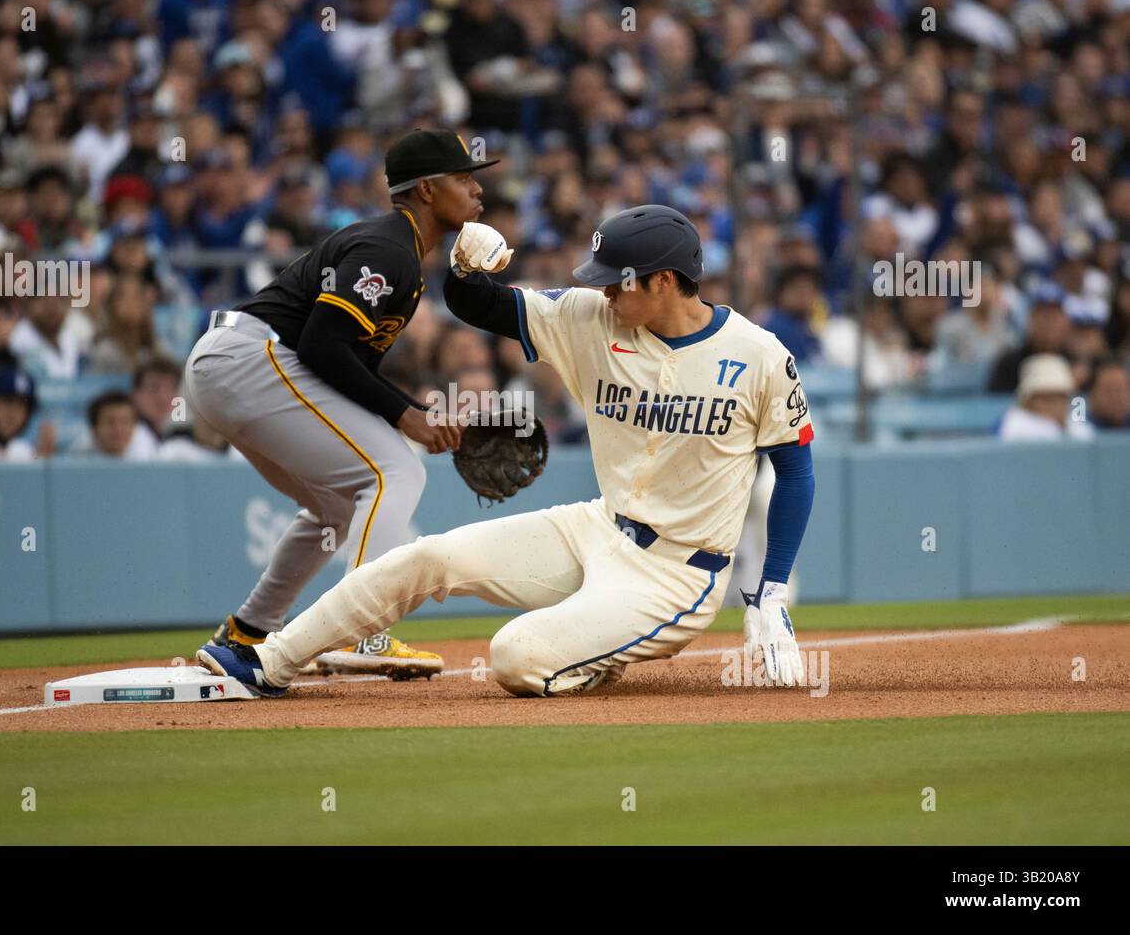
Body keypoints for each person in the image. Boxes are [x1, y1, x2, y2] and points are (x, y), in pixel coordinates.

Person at [198, 205, 815, 698]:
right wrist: (465, 272)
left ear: (661, 281)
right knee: (425, 557)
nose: (600, 293)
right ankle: (267, 662)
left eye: (614, 284)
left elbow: (795, 471)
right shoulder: (588, 319)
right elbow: (480, 306)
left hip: (676, 575)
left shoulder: (760, 355)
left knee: (515, 658)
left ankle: (589, 656)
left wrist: (773, 589)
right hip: (598, 526)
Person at [184, 130, 497, 679]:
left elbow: (346, 367)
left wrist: (412, 410)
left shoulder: (403, 253)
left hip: (236, 368)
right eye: (464, 178)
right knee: (394, 472)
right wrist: (407, 418)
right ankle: (365, 633)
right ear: (426, 190)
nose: (477, 191)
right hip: (253, 358)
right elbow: (322, 346)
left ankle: (245, 635)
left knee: (335, 506)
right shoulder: (388, 249)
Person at [997, 354, 1095, 442]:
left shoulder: (1075, 423)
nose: (1055, 405)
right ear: (1028, 401)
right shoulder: (1015, 423)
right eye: (1047, 399)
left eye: (1061, 398)